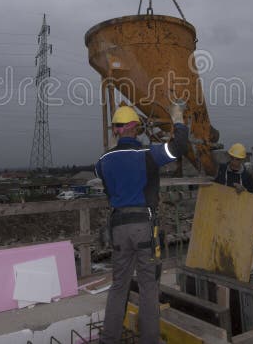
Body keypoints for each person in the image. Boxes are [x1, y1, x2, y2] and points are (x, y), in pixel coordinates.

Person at [95, 103, 189, 344]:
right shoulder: (148, 155)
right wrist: (177, 117)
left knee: (119, 287)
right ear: (136, 129)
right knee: (148, 287)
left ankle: (109, 340)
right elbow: (178, 147)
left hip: (117, 228)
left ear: (115, 130)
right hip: (143, 227)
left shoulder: (102, 162)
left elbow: (107, 182)